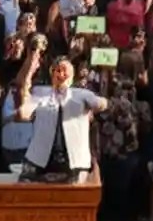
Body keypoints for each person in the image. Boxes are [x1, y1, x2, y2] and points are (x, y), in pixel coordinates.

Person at [16, 54, 108, 183]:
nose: (61, 74)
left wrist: (100, 104)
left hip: (75, 161)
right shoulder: (40, 92)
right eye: (58, 70)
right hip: (40, 159)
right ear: (52, 74)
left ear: (72, 75)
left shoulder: (82, 94)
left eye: (65, 70)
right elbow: (23, 113)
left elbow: (100, 103)